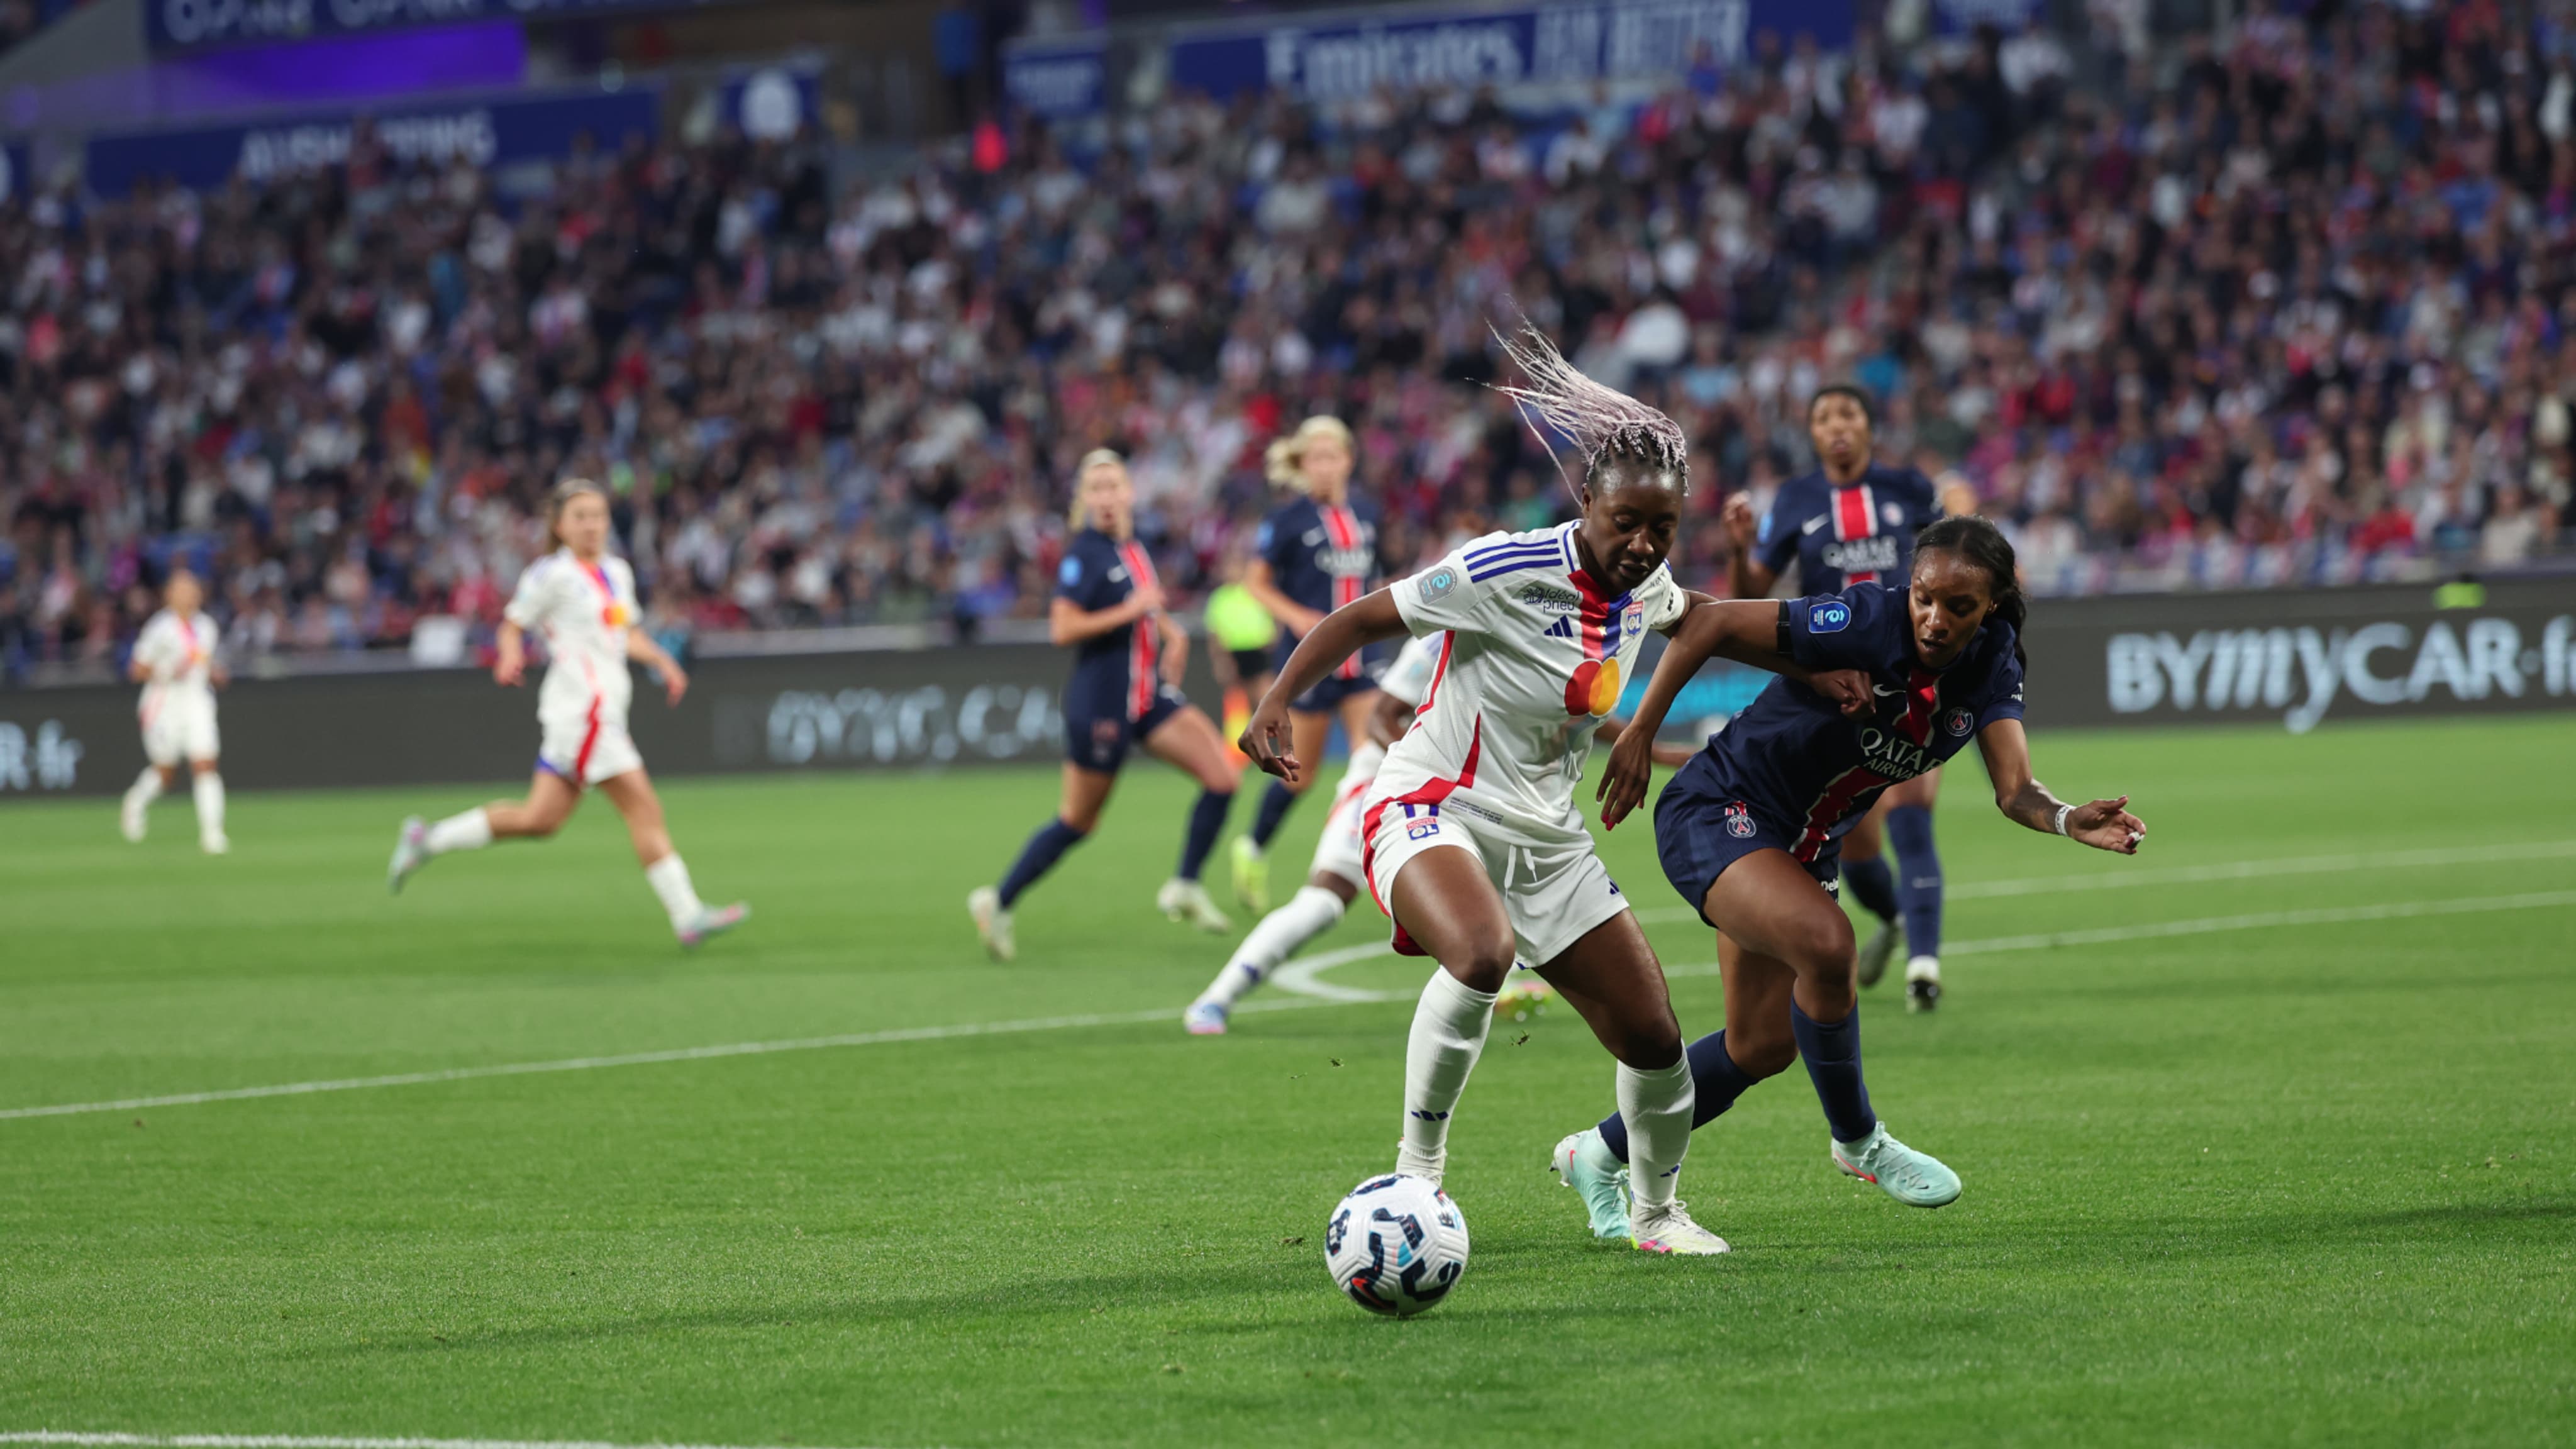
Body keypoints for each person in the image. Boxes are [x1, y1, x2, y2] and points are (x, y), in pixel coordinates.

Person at [1241, 326, 1868, 1256]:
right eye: (1628, 524)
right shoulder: (1506, 565)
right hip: (1432, 805)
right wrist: (1278, 699)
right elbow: (1363, 615)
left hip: (1549, 839)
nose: (1645, 545)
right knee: (1483, 953)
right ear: (1588, 501)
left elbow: (1714, 622)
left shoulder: (1648, 589)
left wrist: (1821, 672)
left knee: (1656, 1039)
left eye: (1664, 528)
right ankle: (1419, 1177)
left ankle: (1654, 1216)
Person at [1552, 516, 2146, 1243]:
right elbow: (1706, 624)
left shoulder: (1992, 662)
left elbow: (2015, 789)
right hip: (1719, 810)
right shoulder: (1864, 617)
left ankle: (1597, 1152)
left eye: (1958, 607)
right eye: (1925, 597)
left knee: (1761, 1044)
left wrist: (2064, 819)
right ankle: (1858, 1141)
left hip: (1805, 847)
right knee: (1828, 946)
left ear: (1991, 605)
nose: (1934, 618)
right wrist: (1641, 730)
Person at [387, 479, 748, 947]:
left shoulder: (617, 572)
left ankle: (428, 839)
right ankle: (688, 914)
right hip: (584, 713)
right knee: (643, 808)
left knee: (541, 819)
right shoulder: (551, 575)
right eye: (580, 516)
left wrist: (661, 661)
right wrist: (510, 654)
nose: (592, 525)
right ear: (559, 524)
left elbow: (625, 634)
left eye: (598, 515)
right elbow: (513, 624)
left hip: (595, 713)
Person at [1725, 385, 1953, 1008]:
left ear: (1869, 425)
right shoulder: (1797, 500)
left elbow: (1955, 563)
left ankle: (1924, 970)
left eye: (1849, 413)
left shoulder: (1908, 488)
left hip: (1910, 673)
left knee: (1910, 811)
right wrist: (1740, 549)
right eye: (1824, 418)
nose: (1837, 427)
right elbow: (1751, 594)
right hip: (1833, 688)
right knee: (1852, 846)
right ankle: (1896, 920)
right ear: (1814, 434)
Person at [967, 450, 1239, 959]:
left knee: (1223, 778)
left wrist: (1169, 631)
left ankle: (1184, 883)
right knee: (1078, 821)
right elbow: (1063, 628)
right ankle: (998, 901)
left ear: (1130, 492)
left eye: (1114, 486)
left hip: (1145, 696)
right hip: (1102, 705)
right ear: (1084, 501)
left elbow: (1143, 605)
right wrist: (1129, 611)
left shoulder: (1131, 546)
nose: (1107, 497)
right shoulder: (1084, 555)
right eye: (1096, 489)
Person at [1230, 416, 1384, 914]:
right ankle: (1252, 848)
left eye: (1331, 455)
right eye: (1313, 457)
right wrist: (1296, 616)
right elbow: (1255, 581)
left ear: (1348, 459)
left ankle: (1361, 864)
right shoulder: (1288, 519)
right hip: (1313, 663)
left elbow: (1375, 579)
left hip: (1361, 660)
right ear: (1303, 464)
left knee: (1375, 761)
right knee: (1303, 774)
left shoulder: (1366, 514)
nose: (1323, 465)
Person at [119, 569, 230, 853]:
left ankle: (213, 834)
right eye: (183, 590)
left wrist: (216, 674)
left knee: (205, 764)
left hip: (196, 701)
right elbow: (136, 670)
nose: (190, 595)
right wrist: (167, 669)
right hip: (163, 703)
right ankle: (136, 802)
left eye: (194, 590)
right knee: (166, 771)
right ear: (169, 596)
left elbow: (206, 664)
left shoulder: (207, 627)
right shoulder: (159, 629)